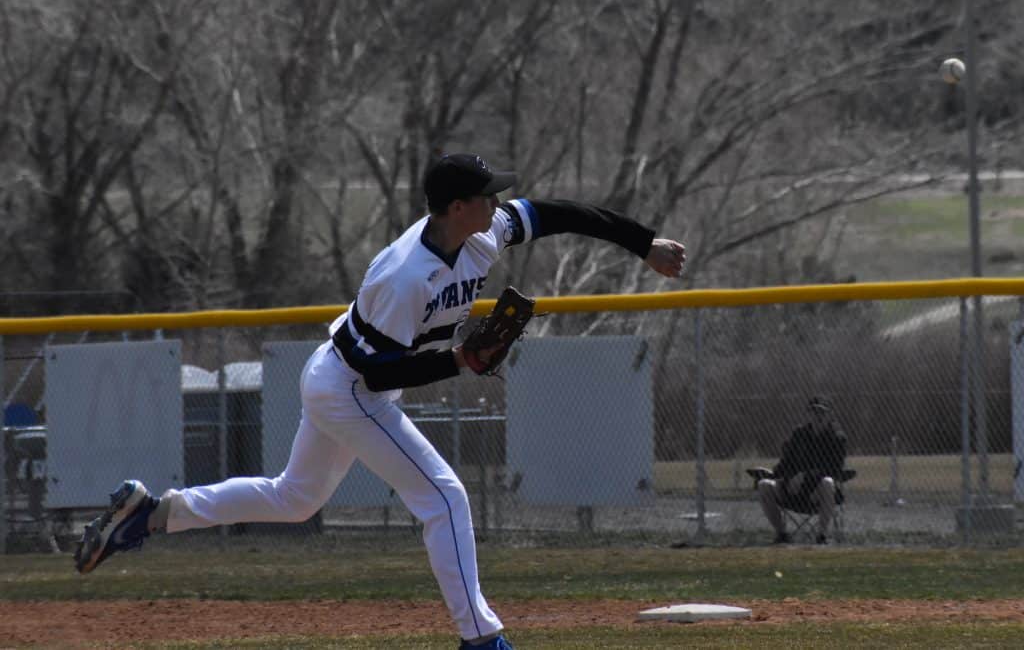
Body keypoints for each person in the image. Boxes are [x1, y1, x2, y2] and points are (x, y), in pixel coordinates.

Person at [73, 153, 687, 649]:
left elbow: (556, 214)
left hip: (343, 378)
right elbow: (374, 365)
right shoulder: (404, 276)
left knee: (293, 499)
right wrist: (458, 360)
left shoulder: (479, 235)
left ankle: (153, 513)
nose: (498, 203)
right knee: (444, 496)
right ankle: (481, 638)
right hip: (351, 387)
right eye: (486, 194)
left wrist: (642, 242)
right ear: (455, 207)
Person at [757, 396, 847, 545]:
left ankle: (821, 536)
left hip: (817, 493)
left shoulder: (837, 438)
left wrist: (805, 477)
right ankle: (782, 534)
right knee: (764, 485)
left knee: (828, 482)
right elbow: (785, 463)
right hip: (793, 490)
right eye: (814, 412)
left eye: (822, 412)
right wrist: (780, 477)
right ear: (808, 414)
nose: (818, 416)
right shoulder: (799, 435)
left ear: (829, 415)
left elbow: (834, 469)